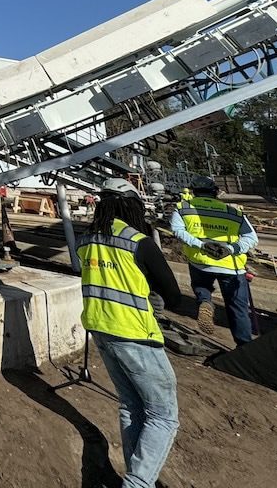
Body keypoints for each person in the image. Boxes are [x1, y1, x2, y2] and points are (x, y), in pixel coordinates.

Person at [78, 177, 183, 488]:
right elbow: (174, 296)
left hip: (101, 330)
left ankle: (137, 474)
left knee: (131, 405)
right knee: (163, 416)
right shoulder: (139, 242)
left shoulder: (86, 239)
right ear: (133, 206)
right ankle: (138, 483)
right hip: (136, 335)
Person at [169, 175, 257, 346]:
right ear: (215, 192)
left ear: (193, 192)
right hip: (231, 265)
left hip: (201, 261)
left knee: (202, 286)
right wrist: (231, 249)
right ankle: (244, 347)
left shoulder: (183, 208)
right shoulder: (233, 212)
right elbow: (251, 237)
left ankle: (205, 301)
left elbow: (177, 231)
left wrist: (201, 245)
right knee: (238, 309)